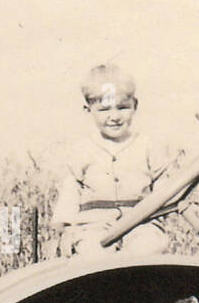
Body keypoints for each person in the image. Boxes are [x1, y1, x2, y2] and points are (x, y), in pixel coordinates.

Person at [52, 65, 178, 256]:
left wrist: (165, 202)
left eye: (122, 107)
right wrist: (67, 227)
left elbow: (165, 186)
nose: (115, 117)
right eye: (104, 110)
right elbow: (70, 192)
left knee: (145, 248)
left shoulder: (148, 146)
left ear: (135, 105)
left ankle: (131, 283)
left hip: (141, 224)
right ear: (88, 110)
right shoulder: (82, 150)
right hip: (93, 226)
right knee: (92, 254)